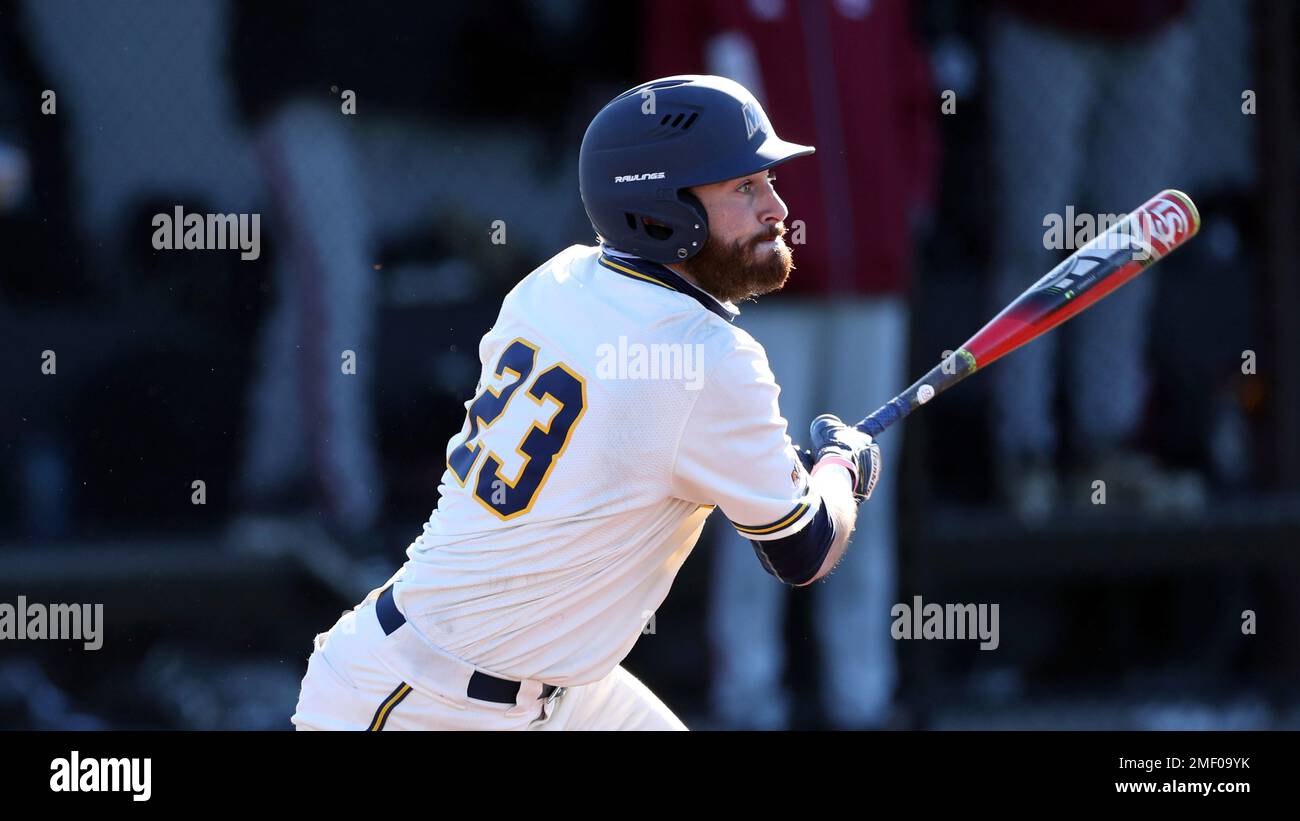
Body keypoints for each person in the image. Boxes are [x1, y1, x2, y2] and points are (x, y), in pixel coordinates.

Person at [291, 75, 883, 730]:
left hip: (550, 683)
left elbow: (633, 441)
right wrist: (841, 467)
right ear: (665, 208)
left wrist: (769, 462)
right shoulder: (711, 357)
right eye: (744, 186)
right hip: (424, 703)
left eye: (767, 182)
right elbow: (806, 548)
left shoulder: (556, 280)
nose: (776, 209)